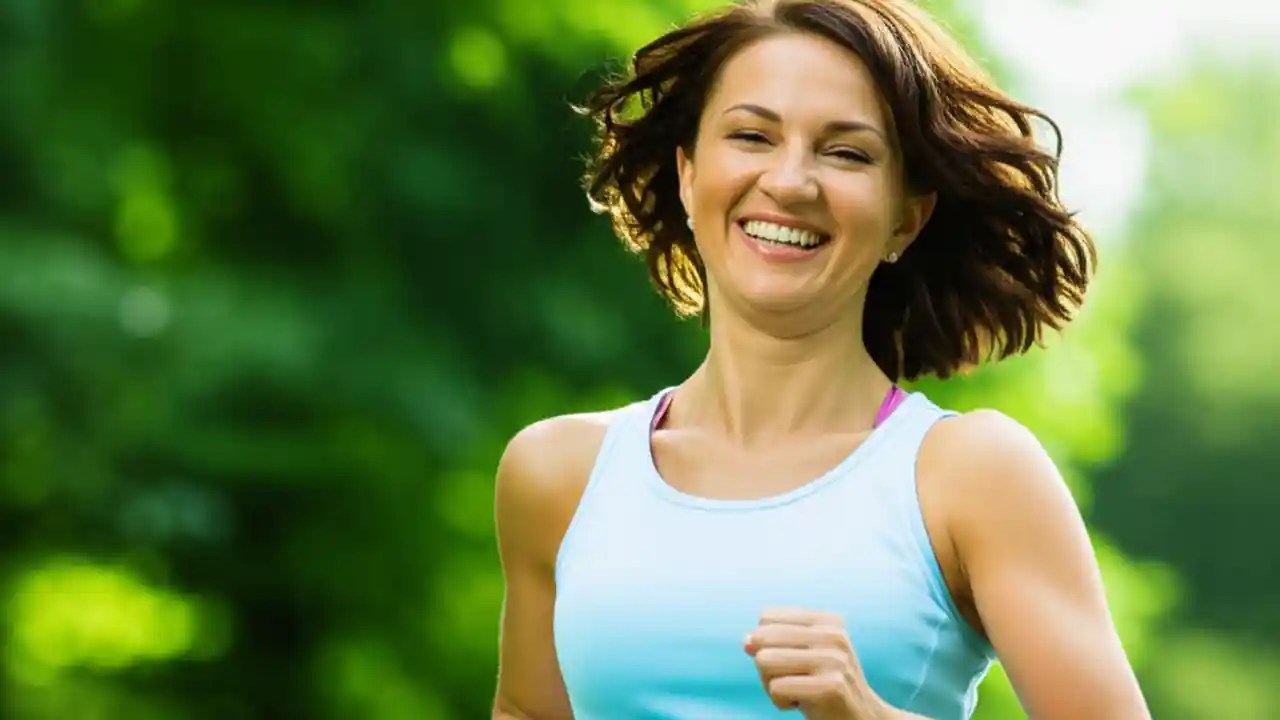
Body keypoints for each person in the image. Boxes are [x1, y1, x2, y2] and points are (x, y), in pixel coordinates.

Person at [492, 0, 1152, 717]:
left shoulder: (970, 475)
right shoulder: (558, 475)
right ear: (687, 175)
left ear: (906, 216)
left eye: (846, 153)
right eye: (751, 136)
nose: (790, 182)